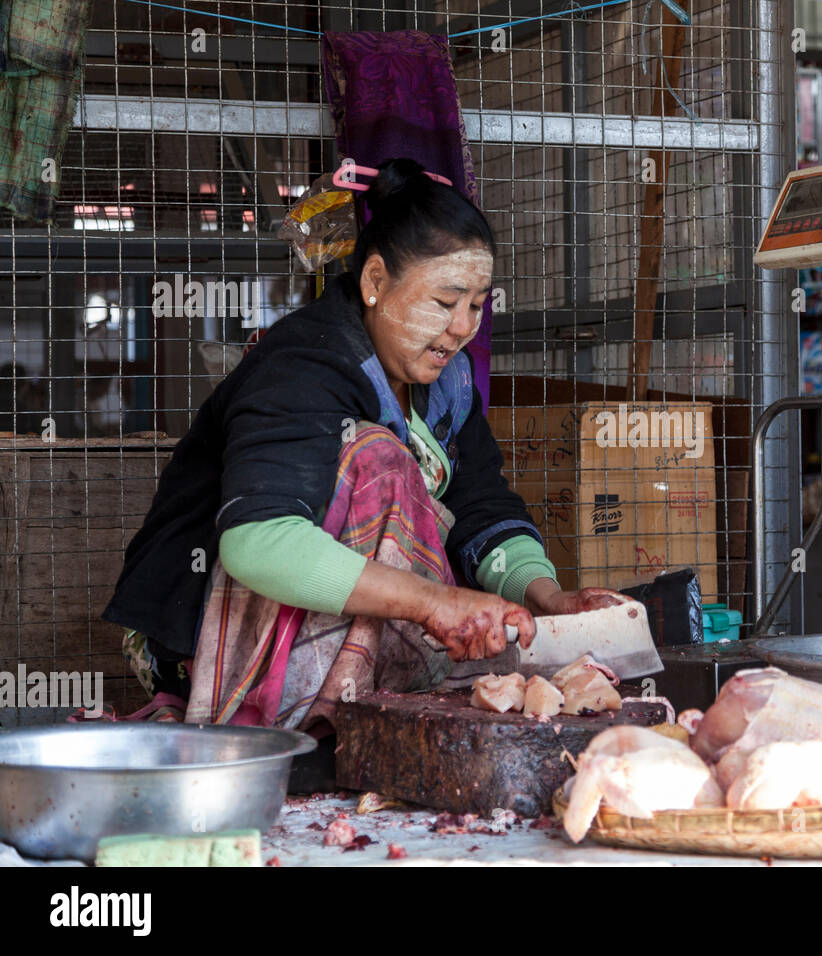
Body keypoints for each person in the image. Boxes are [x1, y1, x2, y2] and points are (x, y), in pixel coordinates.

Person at [103, 158, 622, 732]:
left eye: (476, 305)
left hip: (335, 626)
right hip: (196, 633)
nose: (462, 328)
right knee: (377, 457)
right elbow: (258, 542)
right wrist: (434, 603)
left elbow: (482, 502)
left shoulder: (446, 381)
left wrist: (546, 597)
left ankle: (359, 715)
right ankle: (302, 724)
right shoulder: (303, 362)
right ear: (375, 282)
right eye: (444, 302)